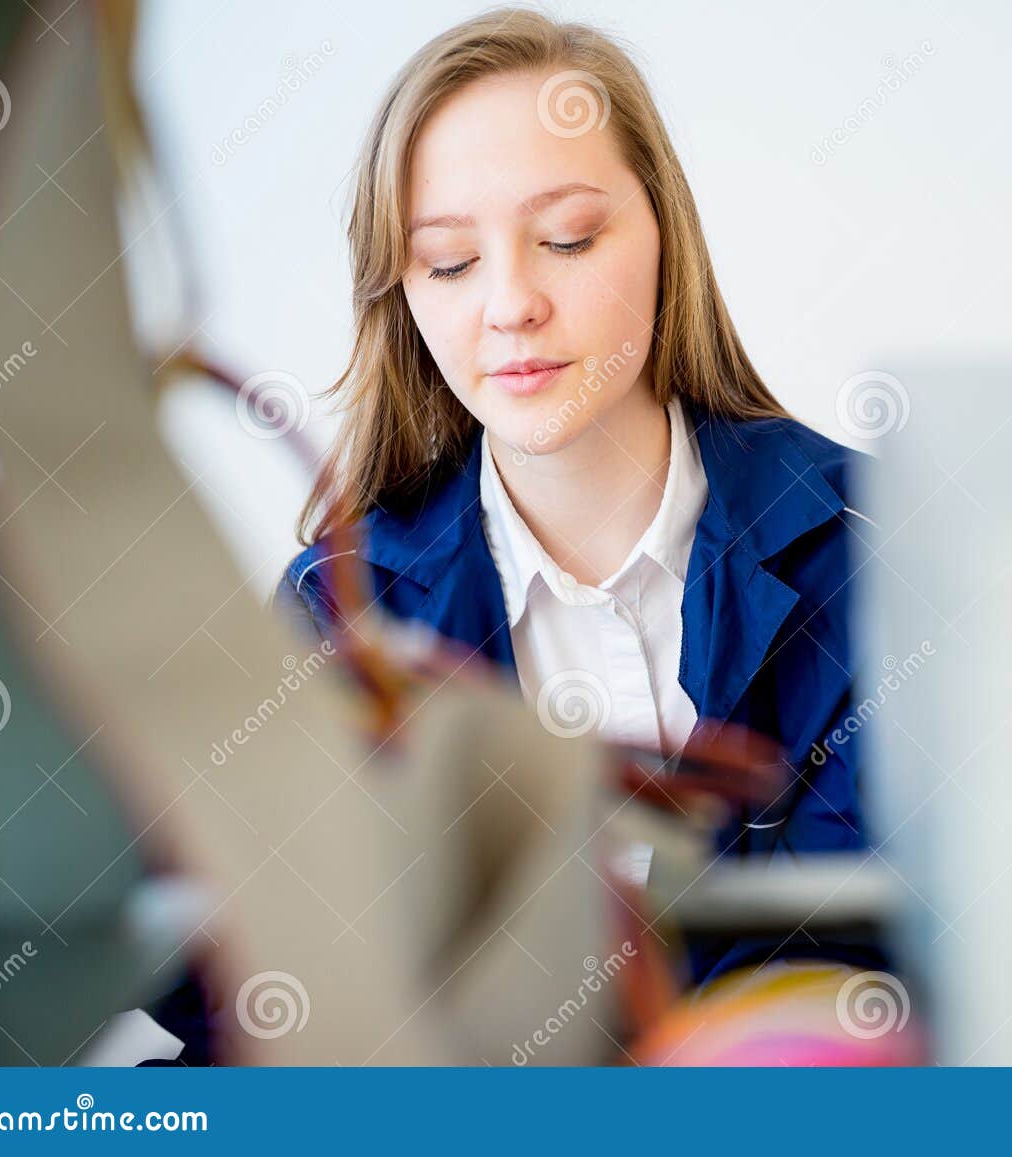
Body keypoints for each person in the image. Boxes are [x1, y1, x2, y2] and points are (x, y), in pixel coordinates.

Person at [269, 5, 881, 1024]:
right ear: (404, 295)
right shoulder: (339, 610)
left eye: (566, 237)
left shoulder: (877, 547)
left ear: (660, 236)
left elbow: (936, 952)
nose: (509, 304)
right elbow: (248, 988)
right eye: (450, 261)